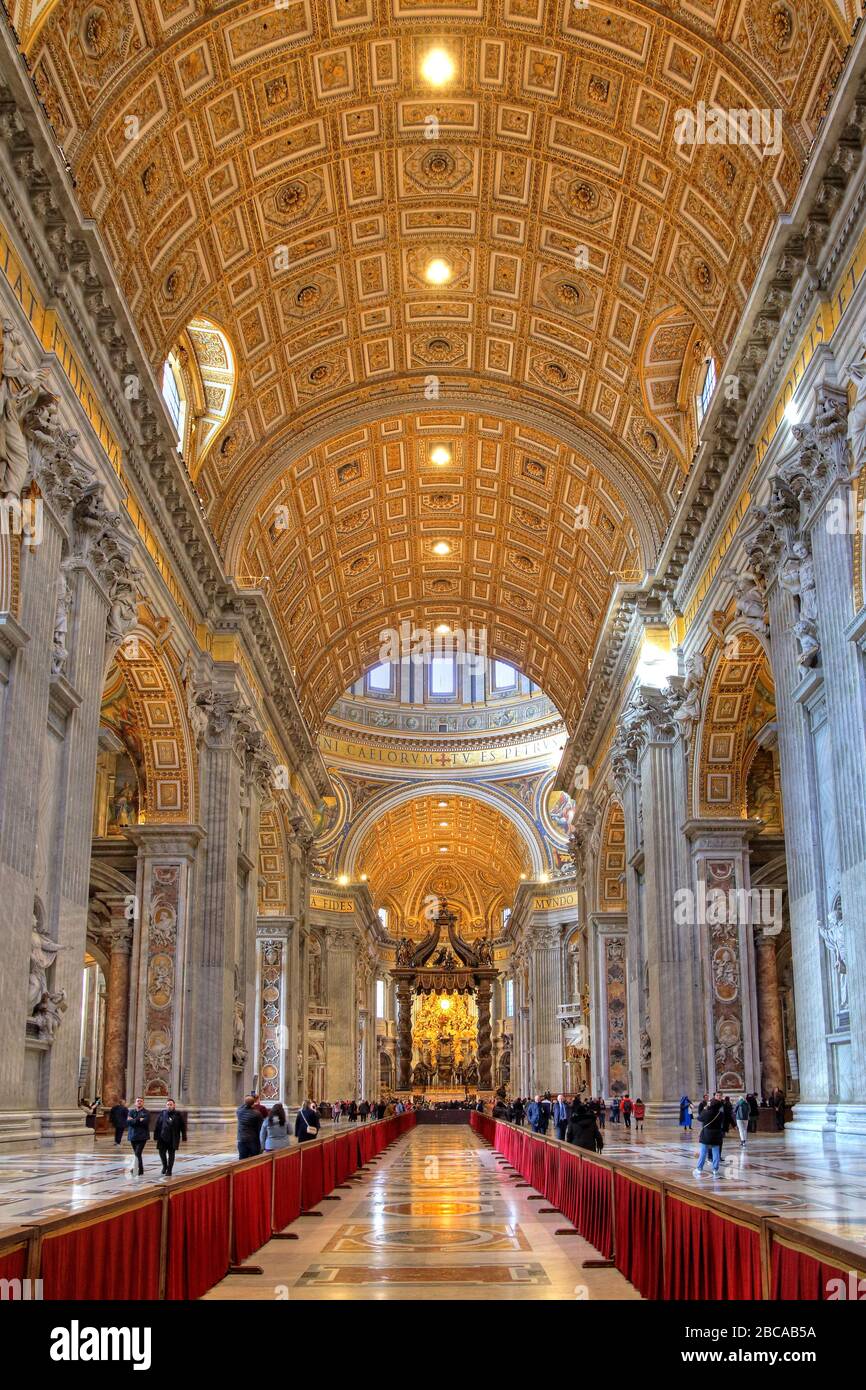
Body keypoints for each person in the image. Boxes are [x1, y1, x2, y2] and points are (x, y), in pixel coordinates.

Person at [693, 1097, 726, 1177]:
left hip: (707, 1134)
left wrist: (704, 1109)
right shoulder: (720, 1114)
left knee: (703, 1153)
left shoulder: (707, 1112)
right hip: (717, 1134)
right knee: (716, 1153)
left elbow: (699, 1118)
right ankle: (715, 1169)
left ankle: (699, 1169)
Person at [154, 1098, 186, 1176]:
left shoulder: (178, 1114)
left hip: (173, 1137)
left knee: (171, 1154)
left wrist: (184, 1136)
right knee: (162, 1153)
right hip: (162, 1137)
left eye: (171, 1105)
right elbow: (157, 1125)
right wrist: (155, 1136)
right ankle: (165, 1166)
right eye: (168, 1105)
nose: (169, 1106)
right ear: (166, 1105)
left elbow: (182, 1126)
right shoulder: (162, 1113)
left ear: (174, 1105)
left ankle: (169, 1170)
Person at [126, 1098, 150, 1177]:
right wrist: (138, 1119)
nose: (139, 1102)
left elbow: (145, 1122)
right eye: (138, 1101)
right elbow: (128, 1122)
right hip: (133, 1135)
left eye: (141, 1101)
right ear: (135, 1103)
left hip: (142, 1136)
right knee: (137, 1154)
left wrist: (134, 1120)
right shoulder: (131, 1111)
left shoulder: (146, 1112)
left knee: (137, 1153)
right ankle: (141, 1170)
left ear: (143, 1103)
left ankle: (136, 1169)